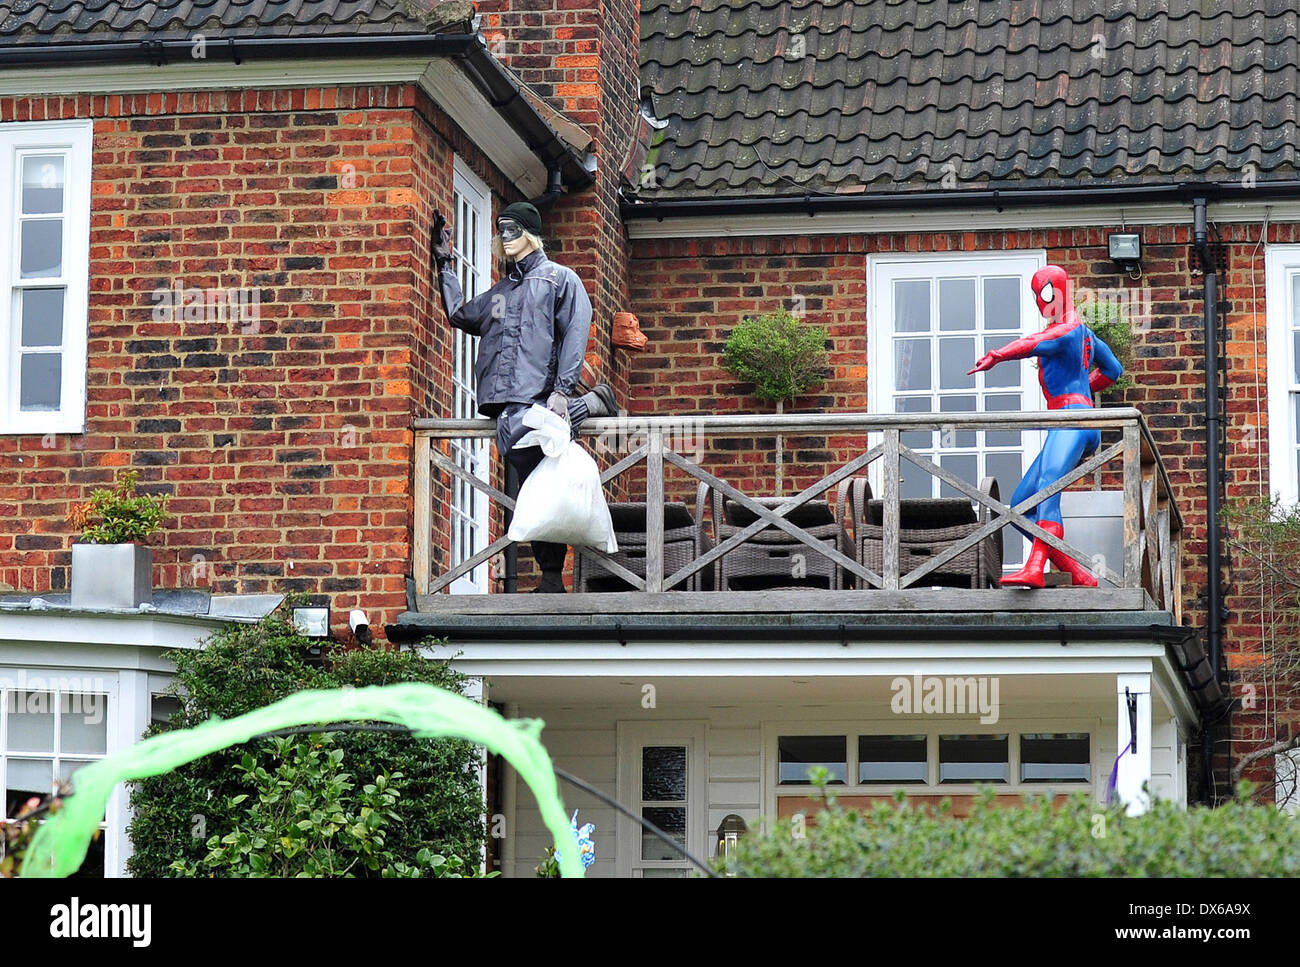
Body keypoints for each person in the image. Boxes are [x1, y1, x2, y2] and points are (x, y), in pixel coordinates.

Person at [432, 201, 617, 592]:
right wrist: (445, 265)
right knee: (535, 488)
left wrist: (563, 392)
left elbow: (575, 333)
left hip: (541, 401)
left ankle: (551, 576)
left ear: (530, 233)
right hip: (507, 410)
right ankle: (596, 401)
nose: (506, 238)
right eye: (501, 231)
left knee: (545, 484)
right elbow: (463, 315)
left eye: (513, 230)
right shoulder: (502, 291)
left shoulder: (559, 280)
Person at [968, 264, 1124, 588]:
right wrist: (1084, 392)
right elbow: (1113, 369)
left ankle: (1035, 567)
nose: (1040, 302)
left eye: (1040, 294)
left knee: (1046, 493)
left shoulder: (1066, 330)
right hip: (1079, 417)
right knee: (1021, 506)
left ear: (1051, 292)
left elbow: (1034, 342)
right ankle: (1080, 573)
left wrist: (996, 355)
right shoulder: (1087, 336)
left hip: (1071, 420)